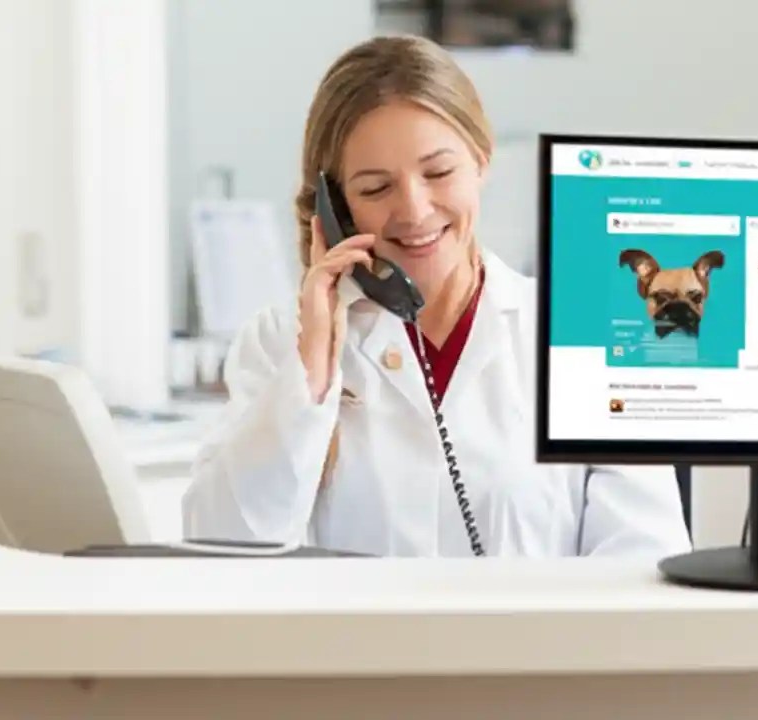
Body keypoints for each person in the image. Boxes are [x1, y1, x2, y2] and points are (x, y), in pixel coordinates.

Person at [181, 35, 692, 558]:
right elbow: (221, 545)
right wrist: (310, 377)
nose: (415, 210)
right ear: (336, 209)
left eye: (439, 172)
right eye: (376, 188)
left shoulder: (575, 332)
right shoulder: (278, 344)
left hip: (534, 641)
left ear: (481, 160)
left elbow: (644, 561)